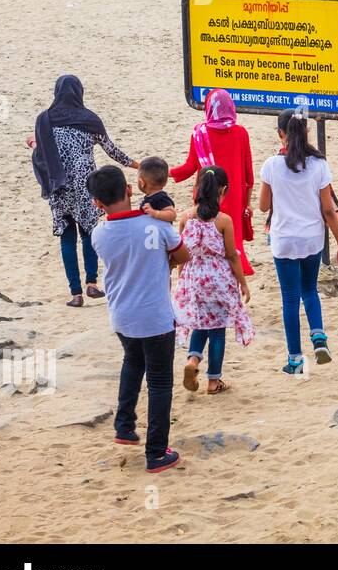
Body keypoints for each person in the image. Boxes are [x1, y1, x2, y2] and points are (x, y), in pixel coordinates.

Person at [86, 164, 188, 473]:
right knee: (159, 382)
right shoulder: (155, 226)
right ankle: (156, 452)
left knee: (132, 362)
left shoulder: (99, 233)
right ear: (131, 189)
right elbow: (183, 255)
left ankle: (125, 426)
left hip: (122, 315)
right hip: (155, 316)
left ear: (97, 203)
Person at [29, 75, 139, 306]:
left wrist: (33, 143)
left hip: (59, 187)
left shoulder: (46, 120)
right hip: (86, 185)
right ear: (79, 92)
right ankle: (92, 284)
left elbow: (42, 152)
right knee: (88, 232)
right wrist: (136, 165)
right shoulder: (90, 119)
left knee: (67, 238)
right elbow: (111, 150)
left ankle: (75, 294)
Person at [259, 109, 338, 375]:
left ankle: (296, 360)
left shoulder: (272, 165)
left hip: (285, 239)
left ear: (281, 134)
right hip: (312, 238)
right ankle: (319, 337)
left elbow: (264, 206)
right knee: (310, 290)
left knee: (289, 299)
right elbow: (328, 210)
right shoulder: (319, 165)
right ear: (307, 132)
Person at [174, 165, 254, 394]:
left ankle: (192, 361)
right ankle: (213, 381)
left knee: (200, 323)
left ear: (197, 187)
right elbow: (231, 255)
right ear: (223, 190)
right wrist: (243, 283)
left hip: (193, 278)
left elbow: (181, 252)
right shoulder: (223, 221)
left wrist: (182, 278)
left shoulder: (186, 217)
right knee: (217, 329)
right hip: (218, 280)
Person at [169, 88, 255, 275]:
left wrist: (166, 173)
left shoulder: (200, 133)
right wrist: (246, 204)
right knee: (232, 247)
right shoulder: (241, 133)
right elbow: (249, 176)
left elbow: (190, 167)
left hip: (205, 194)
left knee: (205, 246)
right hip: (232, 197)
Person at [137, 156, 177, 223]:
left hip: (161, 232)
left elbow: (172, 215)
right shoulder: (150, 198)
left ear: (141, 183)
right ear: (166, 181)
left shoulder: (161, 198)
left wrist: (155, 213)